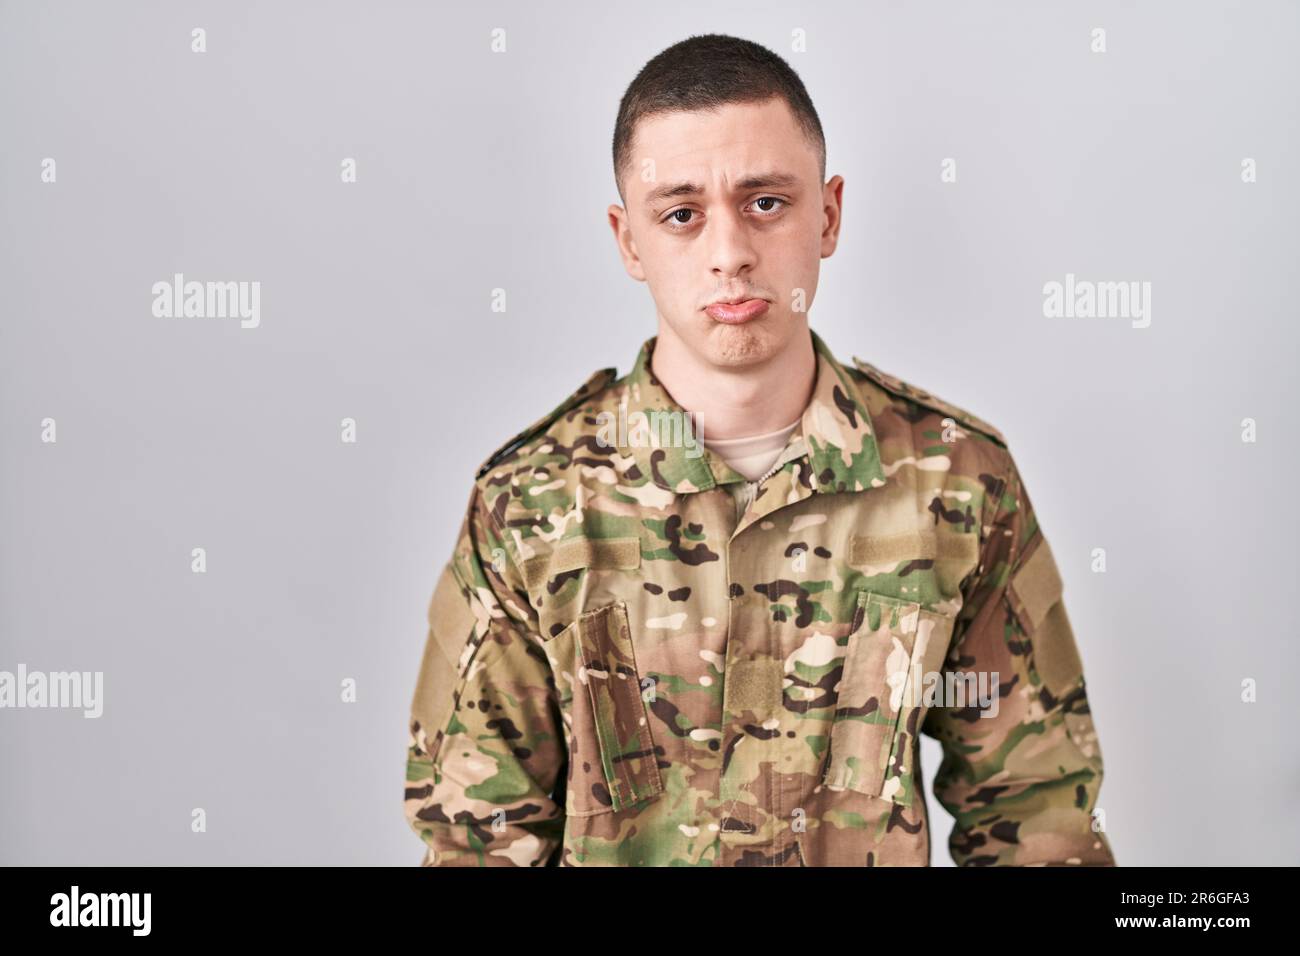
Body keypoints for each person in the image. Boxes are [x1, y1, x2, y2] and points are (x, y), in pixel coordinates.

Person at [403, 33, 1115, 867]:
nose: (730, 252)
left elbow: (1038, 818)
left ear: (829, 215)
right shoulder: (528, 505)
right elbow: (475, 838)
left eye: (766, 202)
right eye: (680, 214)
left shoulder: (957, 481)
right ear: (629, 240)